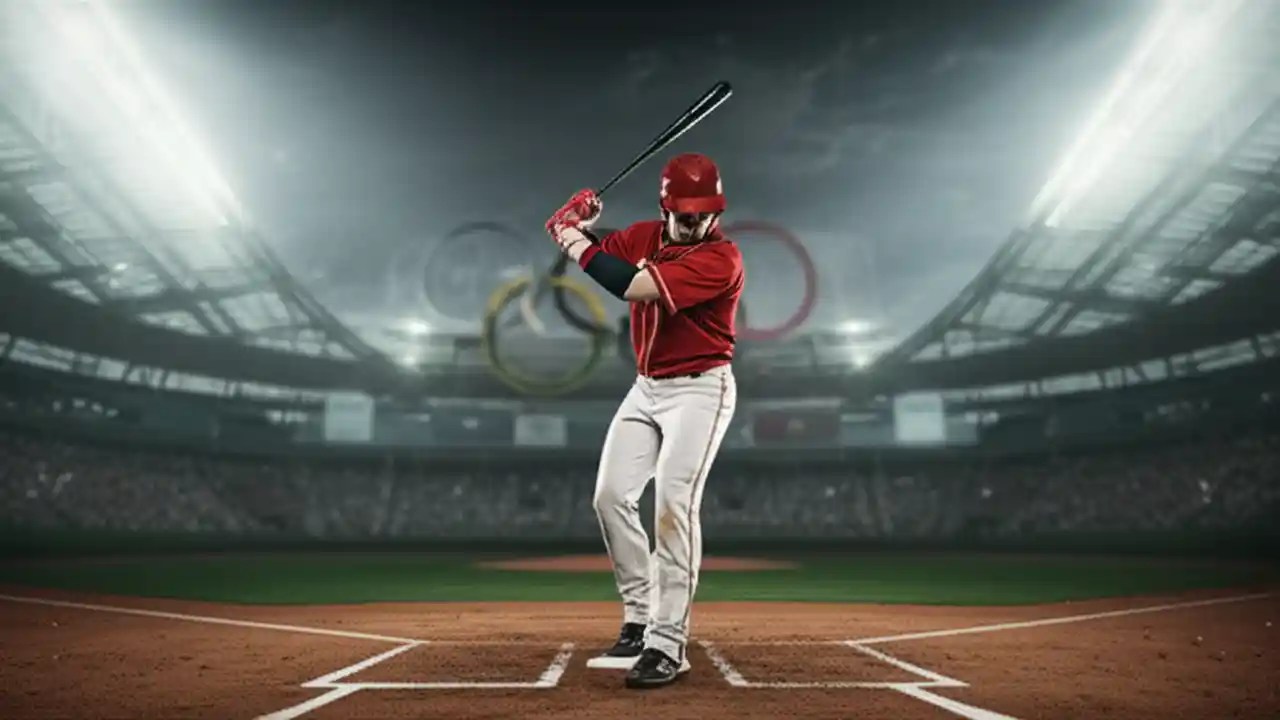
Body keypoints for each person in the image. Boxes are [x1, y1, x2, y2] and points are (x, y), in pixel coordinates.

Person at [544, 153, 743, 689]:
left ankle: (667, 644)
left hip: (701, 390)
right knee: (610, 496)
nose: (696, 222)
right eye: (685, 213)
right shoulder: (643, 235)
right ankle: (639, 617)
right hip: (647, 388)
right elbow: (602, 252)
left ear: (716, 211)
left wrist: (568, 236)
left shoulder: (721, 258)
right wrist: (580, 221)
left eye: (704, 213)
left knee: (675, 507)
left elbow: (628, 284)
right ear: (665, 206)